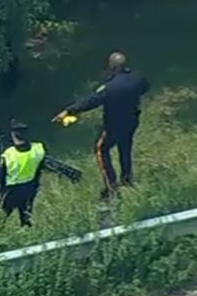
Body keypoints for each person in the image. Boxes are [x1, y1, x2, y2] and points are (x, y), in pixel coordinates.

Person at [52, 51, 150, 199]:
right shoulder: (137, 79)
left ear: (113, 67)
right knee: (125, 149)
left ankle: (111, 187)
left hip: (113, 126)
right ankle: (127, 180)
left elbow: (91, 101)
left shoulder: (109, 88)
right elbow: (145, 88)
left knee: (101, 149)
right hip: (131, 122)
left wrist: (69, 111)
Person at [0, 119, 46, 227]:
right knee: (26, 216)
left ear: (13, 134)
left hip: (11, 191)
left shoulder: (8, 155)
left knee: (2, 218)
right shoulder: (39, 149)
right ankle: (28, 233)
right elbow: (40, 168)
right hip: (30, 188)